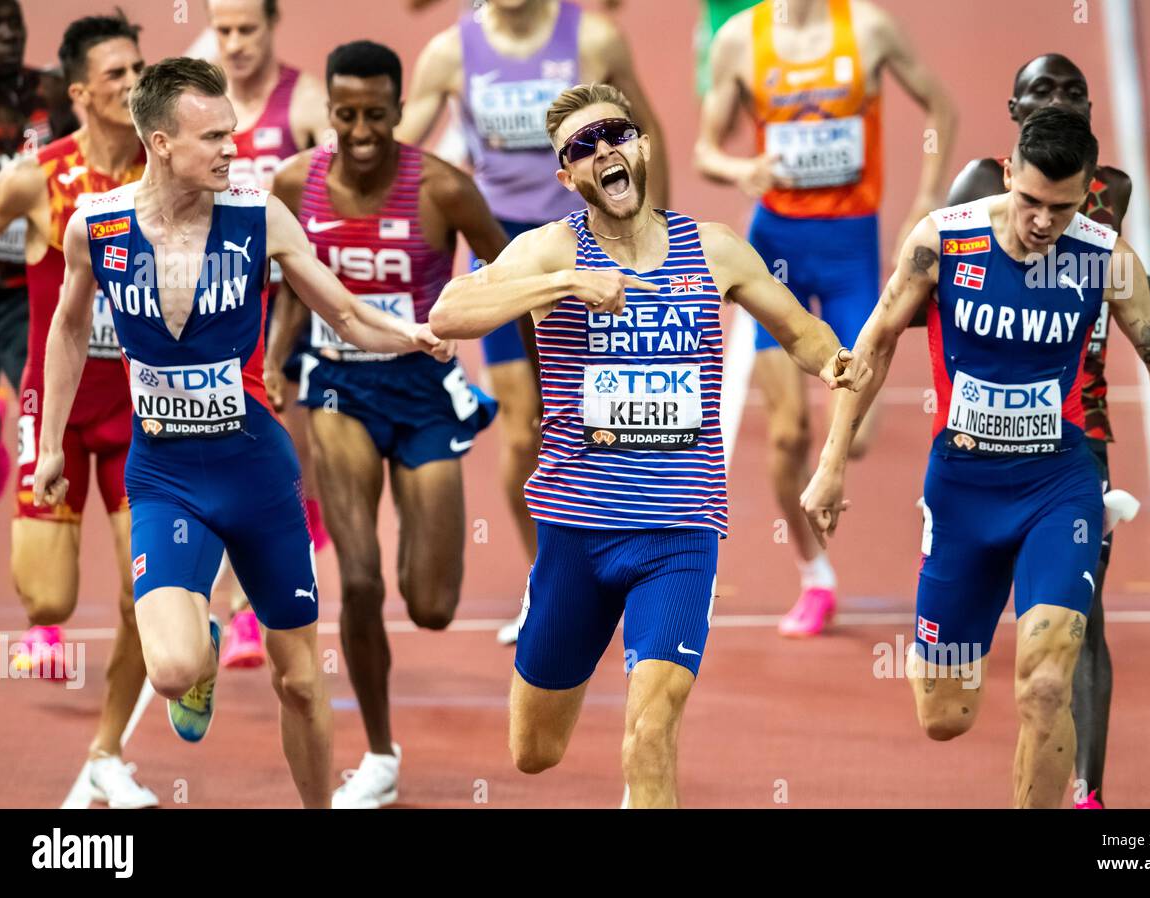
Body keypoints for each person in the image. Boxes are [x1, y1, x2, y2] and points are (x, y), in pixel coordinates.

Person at [33, 56, 449, 807]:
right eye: (214, 136)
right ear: (160, 143)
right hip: (163, 477)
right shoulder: (96, 226)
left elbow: (346, 311)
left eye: (234, 132)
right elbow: (65, 330)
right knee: (169, 669)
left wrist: (411, 333)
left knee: (297, 681)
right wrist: (50, 445)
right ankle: (205, 654)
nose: (234, 148)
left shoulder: (259, 216)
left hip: (255, 473)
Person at [430, 83, 856, 807]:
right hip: (575, 533)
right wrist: (562, 284)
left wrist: (837, 411)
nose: (604, 152)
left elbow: (814, 342)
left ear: (643, 143)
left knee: (651, 727)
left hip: (680, 532)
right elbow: (450, 311)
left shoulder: (715, 249)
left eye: (615, 135)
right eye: (581, 149)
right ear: (567, 176)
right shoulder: (549, 249)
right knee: (534, 751)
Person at [801, 106, 1150, 808]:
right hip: (962, 491)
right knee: (943, 717)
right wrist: (833, 460)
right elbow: (873, 343)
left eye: (1062, 206)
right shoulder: (943, 242)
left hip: (1059, 486)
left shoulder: (1104, 255)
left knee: (1047, 685)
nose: (1043, 221)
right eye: (1030, 201)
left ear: (1086, 195)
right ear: (1008, 171)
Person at [938, 53, 1150, 809]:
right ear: (1014, 111)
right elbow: (930, 279)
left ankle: (1087, 792)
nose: (1062, 99)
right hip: (980, 433)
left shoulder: (1111, 190)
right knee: (946, 695)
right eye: (1044, 90)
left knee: (1081, 616)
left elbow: (1113, 280)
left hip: (1080, 417)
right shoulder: (980, 183)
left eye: (1075, 90)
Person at [265, 40, 506, 809]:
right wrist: (276, 355)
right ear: (327, 113)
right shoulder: (294, 184)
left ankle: (417, 555)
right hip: (336, 388)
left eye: (376, 114)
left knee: (431, 605)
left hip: (426, 394)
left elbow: (514, 278)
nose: (361, 130)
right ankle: (377, 751)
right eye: (346, 115)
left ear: (402, 111)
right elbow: (292, 284)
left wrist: (543, 386)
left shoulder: (444, 189)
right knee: (359, 580)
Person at [396, 0, 668, 646]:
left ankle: (639, 563)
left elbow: (647, 134)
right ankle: (550, 585)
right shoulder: (450, 53)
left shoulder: (595, 39)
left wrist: (662, 242)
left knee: (610, 421)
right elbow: (396, 152)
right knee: (522, 432)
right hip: (509, 253)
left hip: (594, 246)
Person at [695, 0, 956, 637]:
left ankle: (836, 462)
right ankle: (815, 576)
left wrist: (925, 200)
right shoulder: (739, 39)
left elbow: (942, 109)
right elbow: (706, 147)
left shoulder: (867, 29)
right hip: (774, 253)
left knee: (857, 437)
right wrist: (740, 169)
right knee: (786, 438)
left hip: (851, 254)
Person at [0, 12, 154, 808]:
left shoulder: (172, 173)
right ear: (80, 92)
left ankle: (107, 750)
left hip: (142, 418)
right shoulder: (36, 179)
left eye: (140, 69)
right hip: (54, 416)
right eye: (116, 75)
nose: (133, 84)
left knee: (143, 601)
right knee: (48, 599)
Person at [205, 0, 334, 668]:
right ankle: (240, 600)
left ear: (272, 26)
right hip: (215, 307)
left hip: (289, 306)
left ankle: (261, 591)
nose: (234, 43)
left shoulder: (304, 102)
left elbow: (336, 195)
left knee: (291, 456)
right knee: (227, 455)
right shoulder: (198, 95)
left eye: (246, 29)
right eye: (222, 29)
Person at [0, 0, 67, 501]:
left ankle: (43, 501)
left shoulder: (50, 93)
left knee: (41, 402)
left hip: (25, 294)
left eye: (14, 23)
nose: (9, 35)